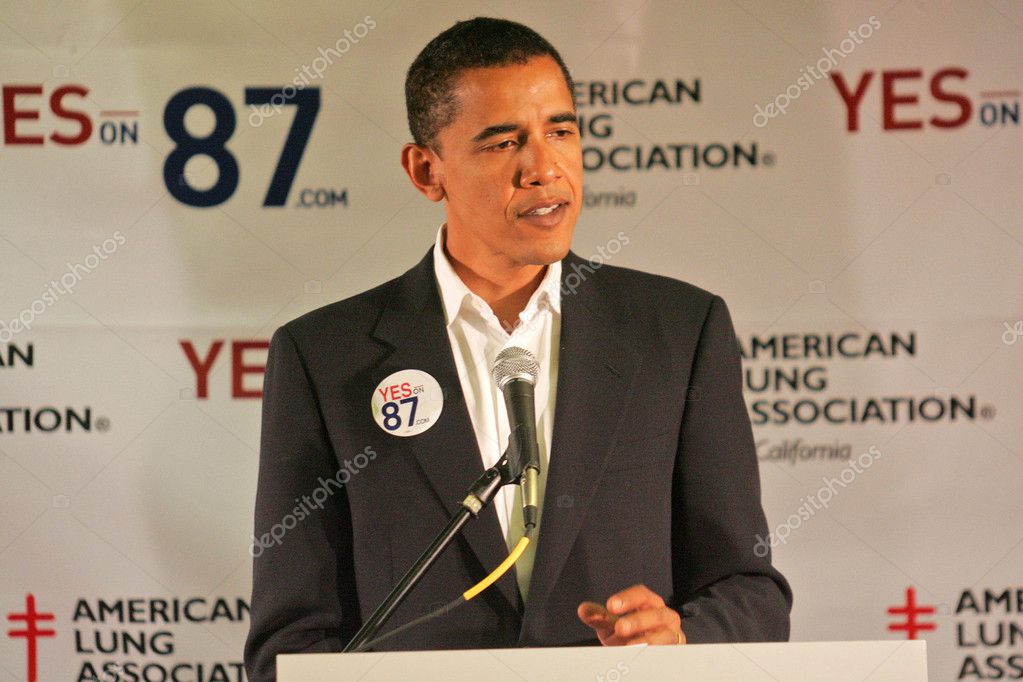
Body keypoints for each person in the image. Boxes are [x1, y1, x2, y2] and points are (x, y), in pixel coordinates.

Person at [244, 16, 791, 681]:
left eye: (560, 131)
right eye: (503, 142)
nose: (543, 167)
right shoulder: (325, 357)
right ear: (425, 170)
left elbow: (750, 594)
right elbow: (291, 644)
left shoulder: (676, 331)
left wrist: (680, 638)